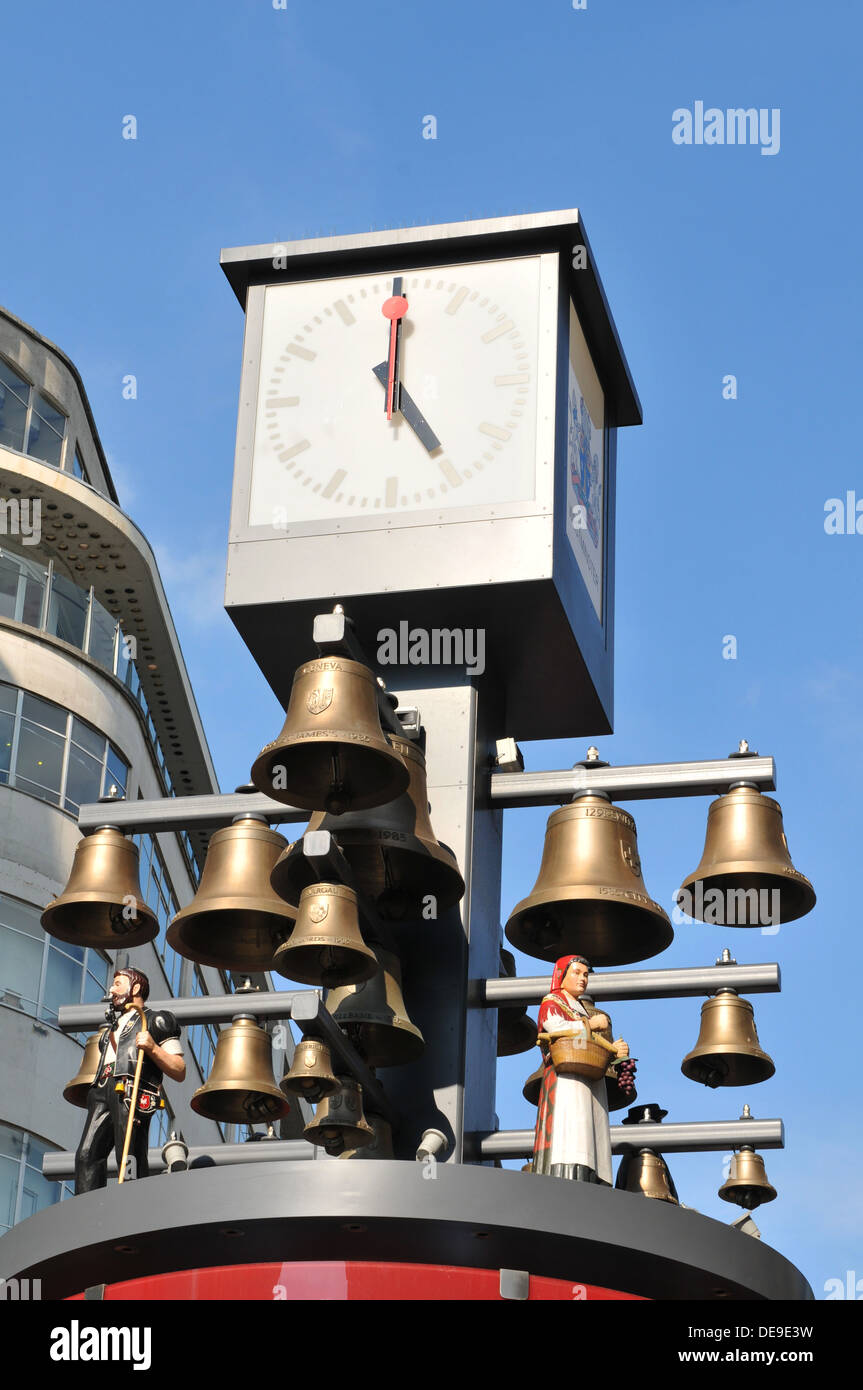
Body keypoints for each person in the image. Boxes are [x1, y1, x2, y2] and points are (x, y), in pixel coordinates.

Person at [74, 968, 185, 1193]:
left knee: (128, 1152)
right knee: (86, 1154)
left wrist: (153, 1048)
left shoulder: (156, 1020)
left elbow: (179, 1069)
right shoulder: (109, 1032)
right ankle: (86, 1209)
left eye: (117, 984)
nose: (112, 990)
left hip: (131, 1090)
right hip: (102, 1088)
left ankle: (131, 1200)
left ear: (134, 988)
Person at [532, 954, 632, 1184]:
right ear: (562, 975)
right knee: (572, 1131)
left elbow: (592, 1042)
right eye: (576, 973)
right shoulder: (553, 1002)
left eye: (585, 974)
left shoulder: (578, 1008)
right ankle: (570, 1177)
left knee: (592, 1129)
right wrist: (590, 1024)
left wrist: (614, 1050)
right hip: (566, 1079)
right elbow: (554, 1027)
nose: (582, 979)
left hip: (591, 1079)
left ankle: (593, 1177)